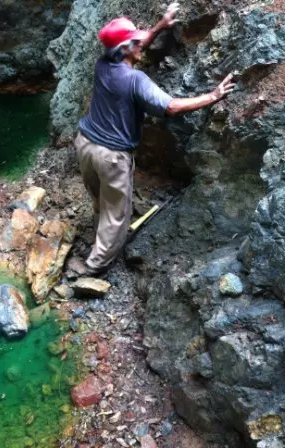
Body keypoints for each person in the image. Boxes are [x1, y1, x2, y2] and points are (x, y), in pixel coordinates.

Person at [75, 3, 235, 276]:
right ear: (125, 49)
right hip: (111, 156)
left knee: (99, 197)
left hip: (85, 143)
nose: (142, 44)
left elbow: (137, 42)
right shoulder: (135, 80)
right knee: (117, 214)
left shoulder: (102, 64)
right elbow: (171, 107)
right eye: (136, 42)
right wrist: (213, 96)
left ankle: (98, 238)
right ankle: (93, 268)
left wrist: (161, 25)